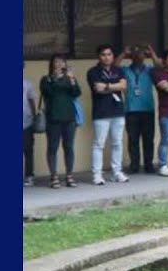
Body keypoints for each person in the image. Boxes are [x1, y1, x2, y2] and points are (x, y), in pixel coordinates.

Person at [86, 44, 129, 185]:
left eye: (109, 54)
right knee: (99, 144)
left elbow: (123, 86)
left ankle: (117, 172)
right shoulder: (93, 72)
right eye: (103, 54)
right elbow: (97, 89)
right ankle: (97, 175)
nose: (107, 57)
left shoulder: (119, 70)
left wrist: (107, 86)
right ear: (99, 56)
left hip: (117, 111)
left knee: (117, 143)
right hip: (101, 113)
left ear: (113, 56)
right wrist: (114, 86)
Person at [40, 54, 82, 188]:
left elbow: (76, 93)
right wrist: (55, 79)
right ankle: (54, 176)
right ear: (52, 64)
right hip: (53, 118)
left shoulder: (70, 78)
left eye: (61, 62)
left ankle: (69, 175)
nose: (59, 64)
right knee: (53, 147)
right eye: (56, 62)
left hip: (69, 118)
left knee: (69, 147)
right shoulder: (46, 79)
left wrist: (72, 79)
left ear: (65, 64)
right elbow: (48, 93)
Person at [123, 46, 157, 174]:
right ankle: (134, 165)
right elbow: (114, 67)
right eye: (135, 54)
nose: (138, 56)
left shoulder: (150, 70)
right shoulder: (125, 70)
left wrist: (152, 53)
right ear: (131, 57)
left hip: (147, 109)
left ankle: (149, 164)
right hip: (131, 110)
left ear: (145, 56)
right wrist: (123, 54)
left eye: (141, 54)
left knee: (148, 139)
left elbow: (160, 67)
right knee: (133, 139)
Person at [23, 65, 38, 187]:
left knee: (28, 150)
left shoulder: (27, 84)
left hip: (26, 122)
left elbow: (31, 100)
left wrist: (34, 117)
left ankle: (29, 175)